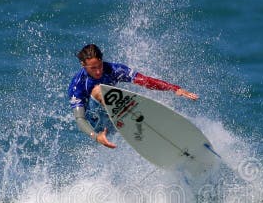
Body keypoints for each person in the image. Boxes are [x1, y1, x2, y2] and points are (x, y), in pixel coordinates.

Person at [68, 44, 199, 148]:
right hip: (97, 123)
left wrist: (174, 88)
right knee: (99, 90)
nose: (98, 71)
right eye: (93, 68)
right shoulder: (77, 85)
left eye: (100, 66)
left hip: (116, 115)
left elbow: (145, 81)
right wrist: (96, 136)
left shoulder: (114, 70)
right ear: (83, 65)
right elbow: (80, 119)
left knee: (135, 102)